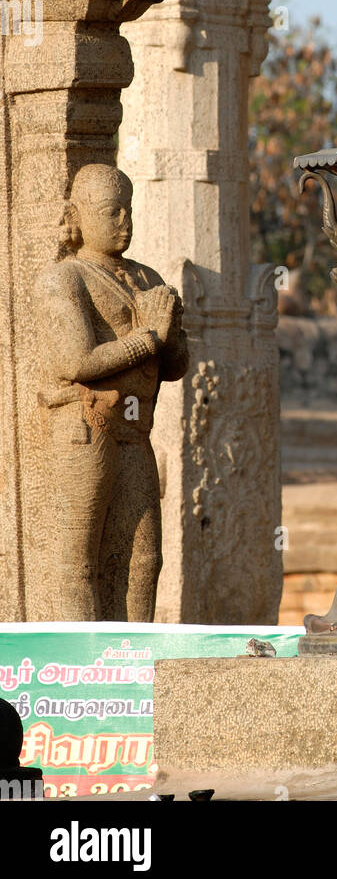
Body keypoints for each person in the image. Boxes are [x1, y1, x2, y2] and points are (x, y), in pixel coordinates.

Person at [36, 165, 188, 621]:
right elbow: (76, 362)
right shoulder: (64, 279)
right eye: (111, 212)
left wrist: (173, 334)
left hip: (134, 428)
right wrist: (148, 336)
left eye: (129, 210)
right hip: (82, 425)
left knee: (144, 559)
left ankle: (132, 658)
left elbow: (175, 368)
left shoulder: (147, 277)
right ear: (77, 217)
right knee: (79, 558)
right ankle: (83, 667)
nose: (125, 221)